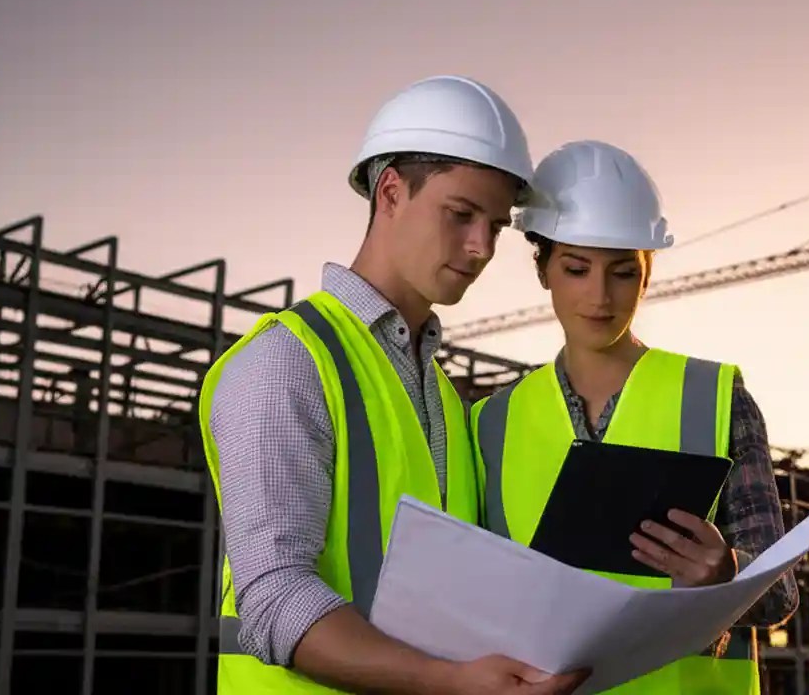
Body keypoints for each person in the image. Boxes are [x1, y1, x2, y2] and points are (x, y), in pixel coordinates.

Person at [199, 75, 588, 695]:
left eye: (496, 225)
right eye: (461, 214)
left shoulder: (439, 392)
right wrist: (451, 681)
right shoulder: (286, 362)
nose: (481, 247)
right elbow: (272, 601)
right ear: (390, 192)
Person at [470, 140, 799, 694]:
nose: (600, 296)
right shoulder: (489, 423)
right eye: (576, 269)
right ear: (543, 270)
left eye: (622, 272)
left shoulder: (716, 397)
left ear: (648, 272)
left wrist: (725, 575)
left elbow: (780, 592)